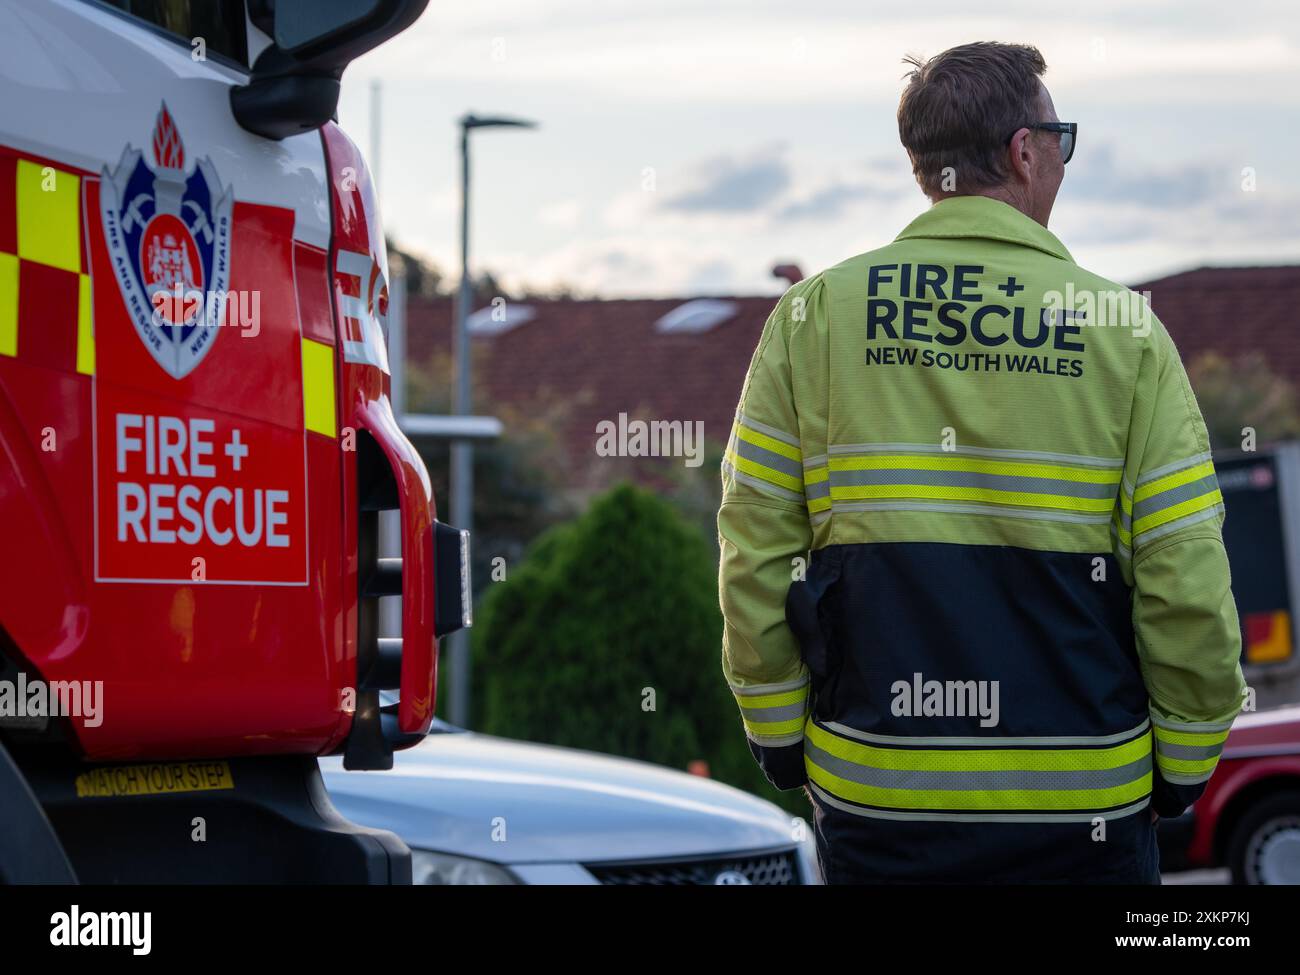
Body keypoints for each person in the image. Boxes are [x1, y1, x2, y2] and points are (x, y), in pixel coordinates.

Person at [717, 41, 1246, 884]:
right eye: (1059, 141)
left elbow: (754, 550)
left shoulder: (814, 319)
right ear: (1024, 150)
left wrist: (779, 732)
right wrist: (1186, 755)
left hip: (881, 802)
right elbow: (1184, 570)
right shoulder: (1124, 331)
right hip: (1086, 813)